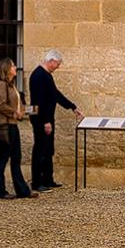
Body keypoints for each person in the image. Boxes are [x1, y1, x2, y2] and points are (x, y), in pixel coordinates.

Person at [28, 50, 80, 189]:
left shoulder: (47, 76)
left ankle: (47, 179)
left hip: (47, 118)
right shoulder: (39, 76)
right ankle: (37, 182)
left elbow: (55, 95)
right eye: (57, 63)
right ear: (50, 61)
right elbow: (39, 102)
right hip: (41, 119)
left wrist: (72, 106)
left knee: (48, 150)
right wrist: (45, 121)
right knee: (40, 149)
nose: (58, 66)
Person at [0, 57, 34, 199]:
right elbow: (1, 105)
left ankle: (22, 191)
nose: (15, 68)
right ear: (6, 68)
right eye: (13, 66)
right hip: (5, 126)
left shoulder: (11, 85)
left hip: (13, 125)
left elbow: (16, 103)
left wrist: (22, 110)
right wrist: (14, 112)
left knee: (16, 158)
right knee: (3, 158)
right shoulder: (1, 85)